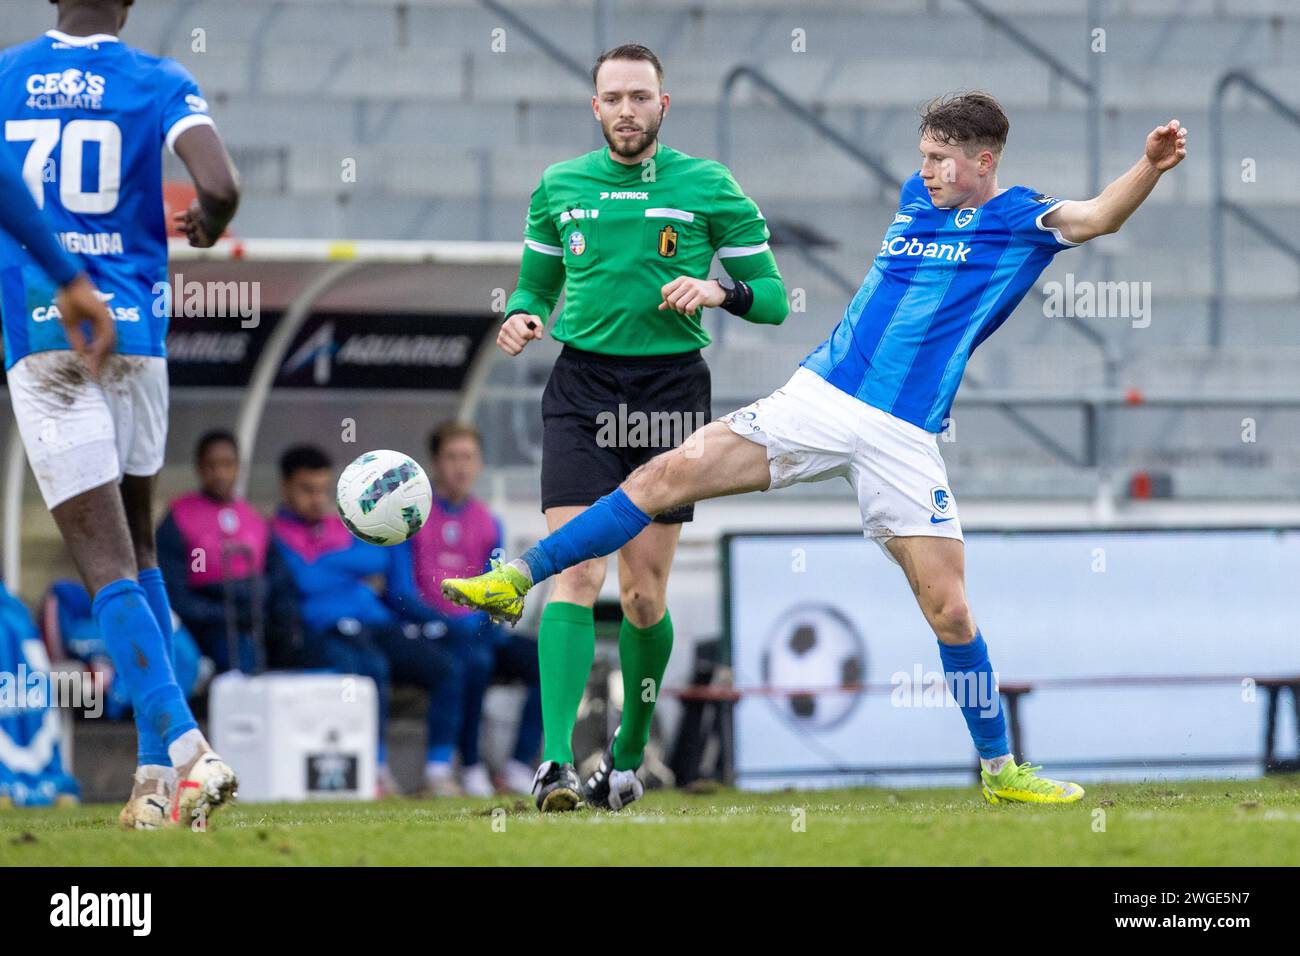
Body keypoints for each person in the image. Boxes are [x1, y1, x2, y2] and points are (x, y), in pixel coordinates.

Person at [444, 92, 1191, 808]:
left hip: (902, 435)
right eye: (923, 157)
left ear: (985, 160)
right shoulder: (914, 198)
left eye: (940, 159)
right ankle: (520, 575)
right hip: (819, 399)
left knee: (951, 611)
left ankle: (1000, 770)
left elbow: (1097, 217)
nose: (926, 172)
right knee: (665, 474)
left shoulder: (1018, 217)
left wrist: (1149, 167)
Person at [496, 43, 788, 812]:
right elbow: (536, 282)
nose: (627, 110)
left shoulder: (707, 186)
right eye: (613, 98)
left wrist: (719, 292)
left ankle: (626, 756)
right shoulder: (560, 187)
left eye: (640, 97)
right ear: (595, 108)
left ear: (665, 106)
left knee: (642, 597)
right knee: (575, 572)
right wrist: (523, 315)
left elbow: (774, 297)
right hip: (581, 388)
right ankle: (554, 765)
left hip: (668, 394)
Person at [1, 0, 242, 829]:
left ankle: (186, 748)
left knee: (102, 564)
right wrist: (208, 224)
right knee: (140, 550)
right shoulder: (161, 78)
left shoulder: (6, 75)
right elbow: (220, 184)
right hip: (137, 332)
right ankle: (149, 782)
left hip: (47, 331)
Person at [272, 445, 464, 797]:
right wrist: (344, 564)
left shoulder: (338, 525)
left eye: (322, 490)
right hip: (327, 630)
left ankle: (438, 772)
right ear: (285, 486)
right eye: (306, 490)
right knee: (371, 669)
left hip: (376, 623)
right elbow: (303, 580)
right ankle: (375, 769)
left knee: (447, 667)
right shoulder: (275, 534)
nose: (317, 499)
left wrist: (325, 563)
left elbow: (378, 558)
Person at [390, 422, 541, 797]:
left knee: (546, 659)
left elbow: (498, 589)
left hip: (477, 629)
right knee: (473, 662)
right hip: (432, 632)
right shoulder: (411, 517)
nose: (461, 466)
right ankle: (468, 765)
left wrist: (484, 620)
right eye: (452, 457)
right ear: (435, 463)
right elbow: (400, 593)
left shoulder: (490, 522)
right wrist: (443, 620)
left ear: (480, 464)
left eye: (469, 458)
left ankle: (519, 765)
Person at [156, 430, 300, 673]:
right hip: (209, 627)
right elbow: (174, 592)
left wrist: (284, 621)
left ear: (238, 467)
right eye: (211, 465)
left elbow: (279, 579)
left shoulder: (253, 518)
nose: (220, 474)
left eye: (227, 464)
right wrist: (226, 615)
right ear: (200, 468)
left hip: (258, 620)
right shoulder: (180, 517)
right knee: (241, 657)